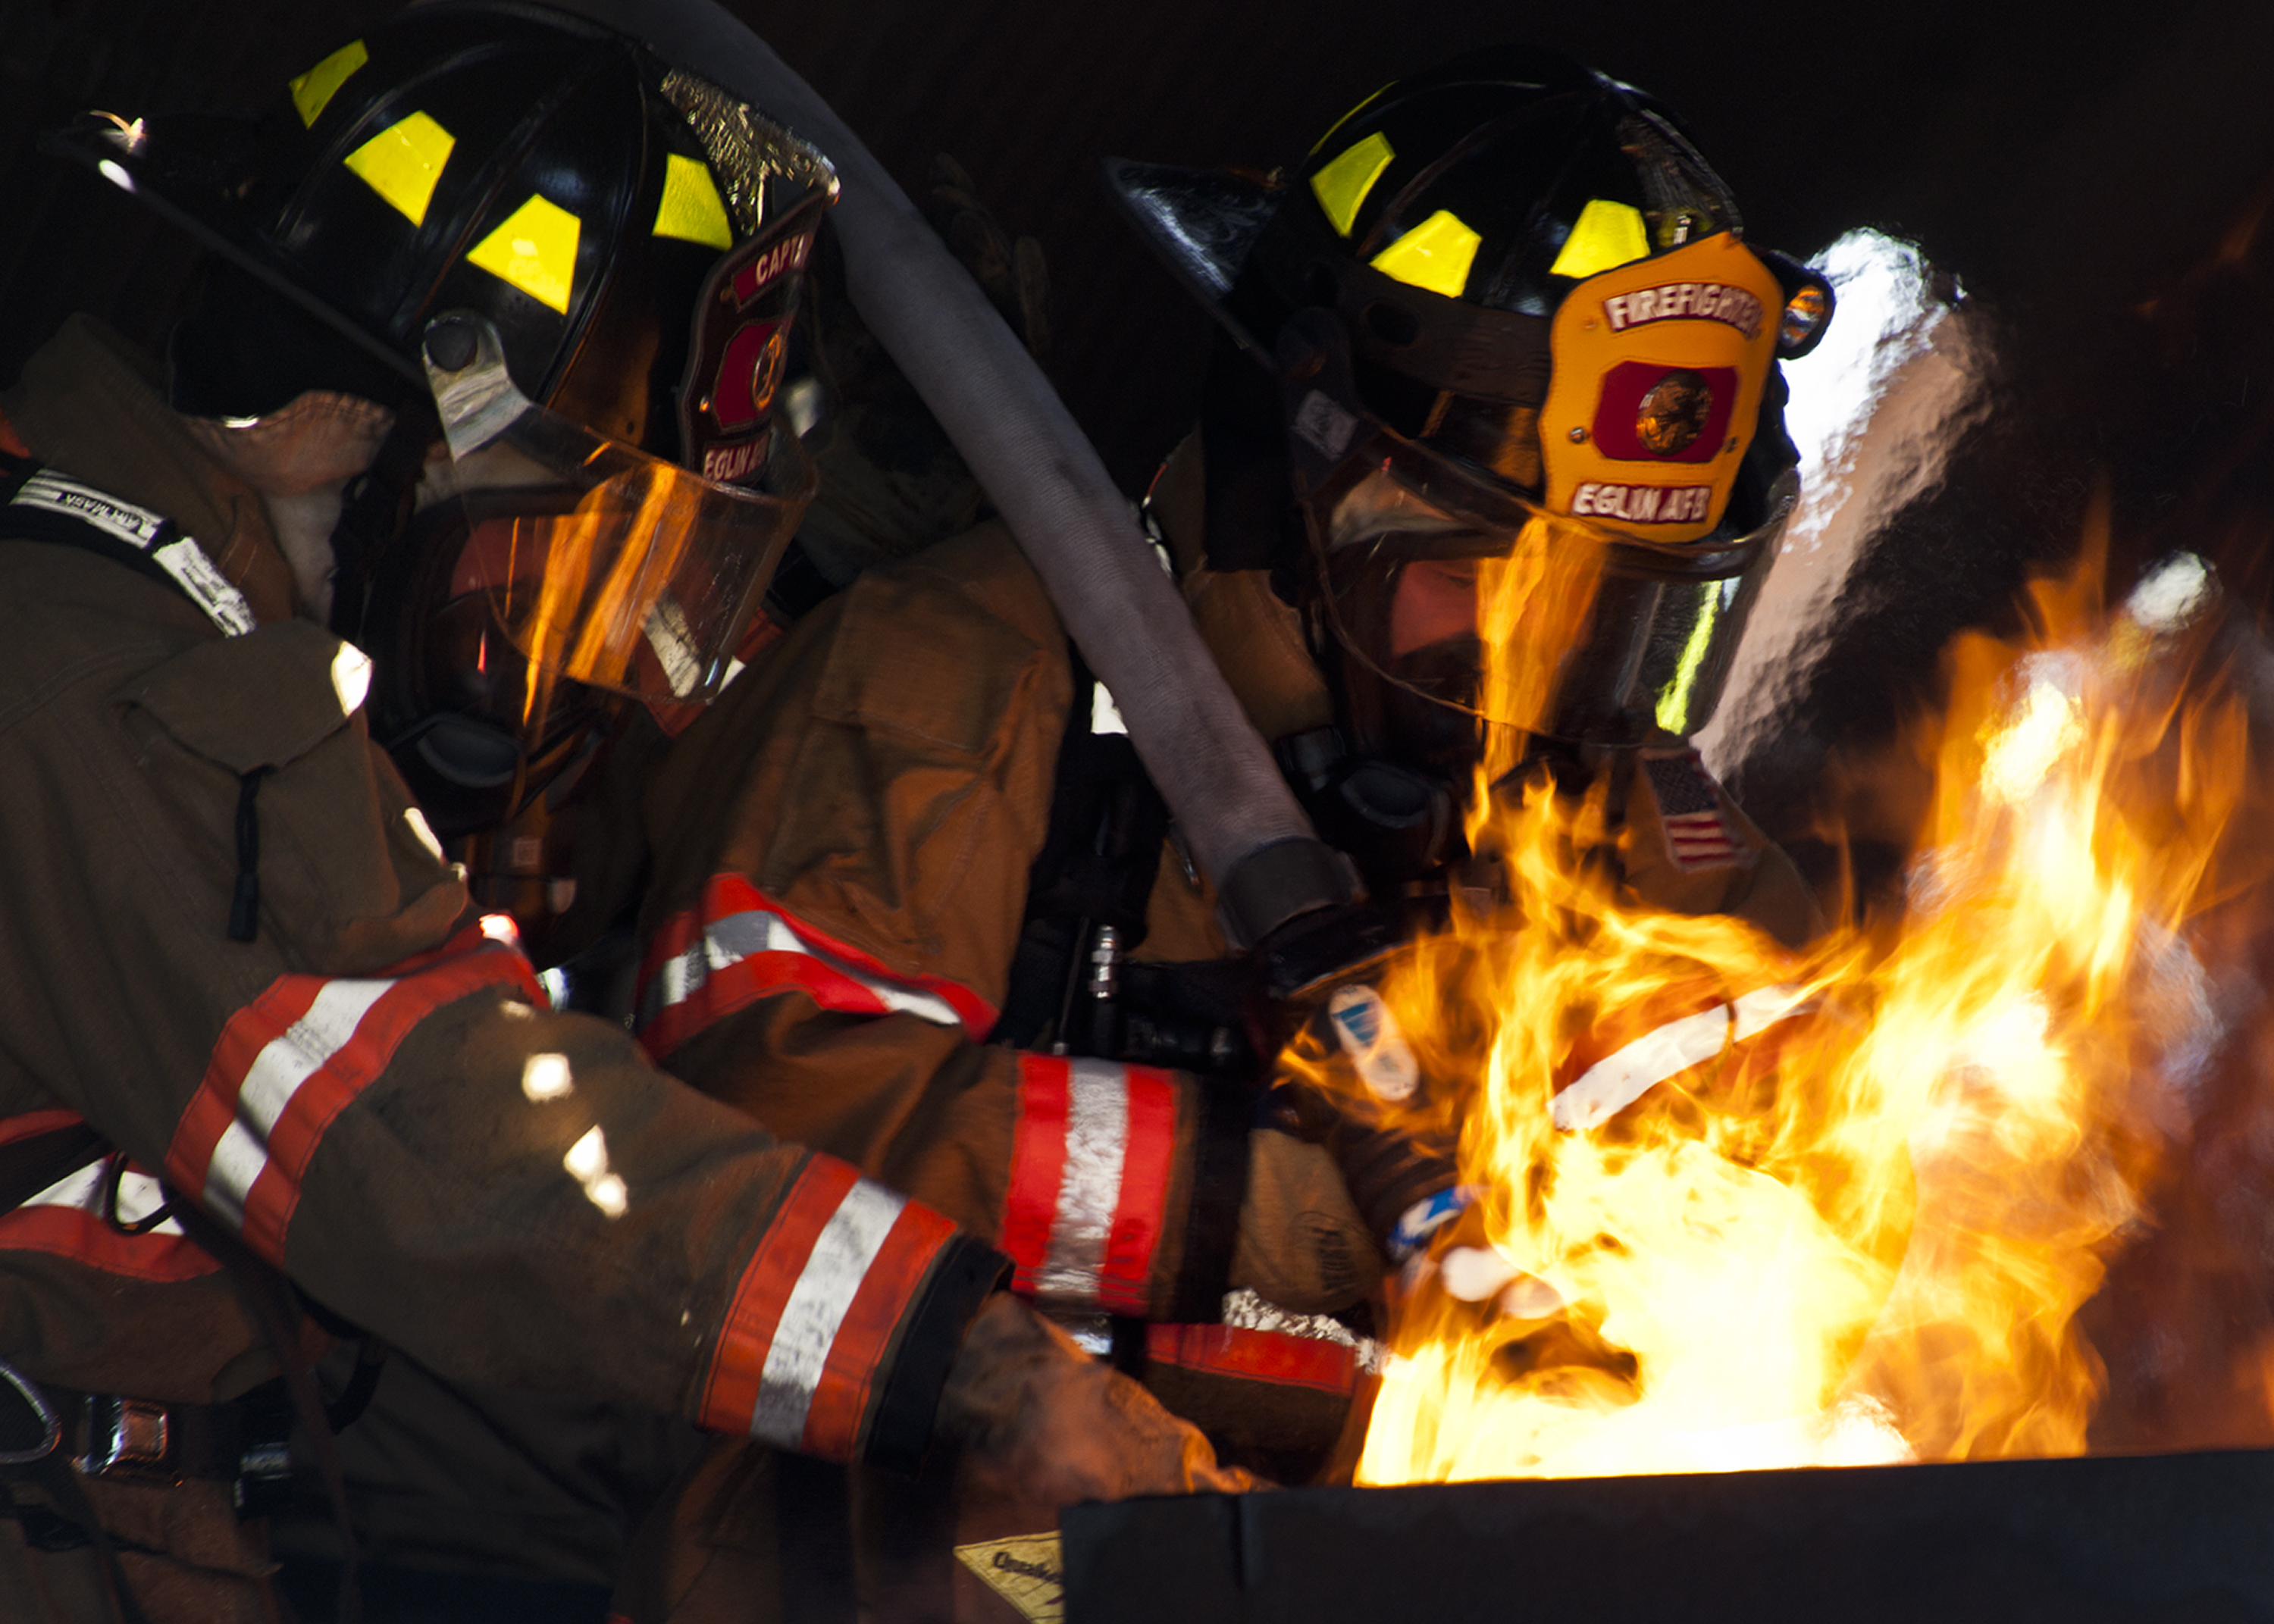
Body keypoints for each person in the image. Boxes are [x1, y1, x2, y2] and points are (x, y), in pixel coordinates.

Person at [0, 10, 1248, 1621]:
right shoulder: (88, 664)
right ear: (373, 431)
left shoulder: (200, 643)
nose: (587, 672)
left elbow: (460, 1365)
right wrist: (964, 1356)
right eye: (569, 561)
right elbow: (430, 1132)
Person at [606, 44, 1839, 1622]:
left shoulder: (1657, 852)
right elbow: (748, 1139)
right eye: (1485, 574)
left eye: (1611, 619)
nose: (1535, 682)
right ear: (1303, 468)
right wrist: (1297, 1215)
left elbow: (1810, 1216)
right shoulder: (961, 685)